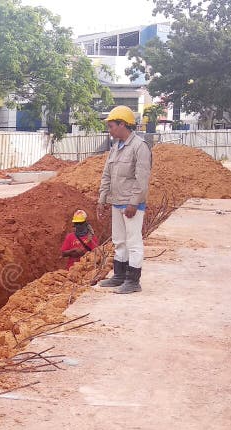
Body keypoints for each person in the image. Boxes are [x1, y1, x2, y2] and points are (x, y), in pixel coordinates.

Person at [96, 105, 152, 294]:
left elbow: (142, 179)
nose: (109, 130)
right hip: (117, 202)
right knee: (119, 240)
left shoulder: (139, 147)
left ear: (122, 124)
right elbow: (107, 175)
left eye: (111, 126)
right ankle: (119, 276)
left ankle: (133, 281)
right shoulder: (115, 148)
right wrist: (102, 199)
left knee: (133, 242)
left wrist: (134, 203)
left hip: (131, 204)